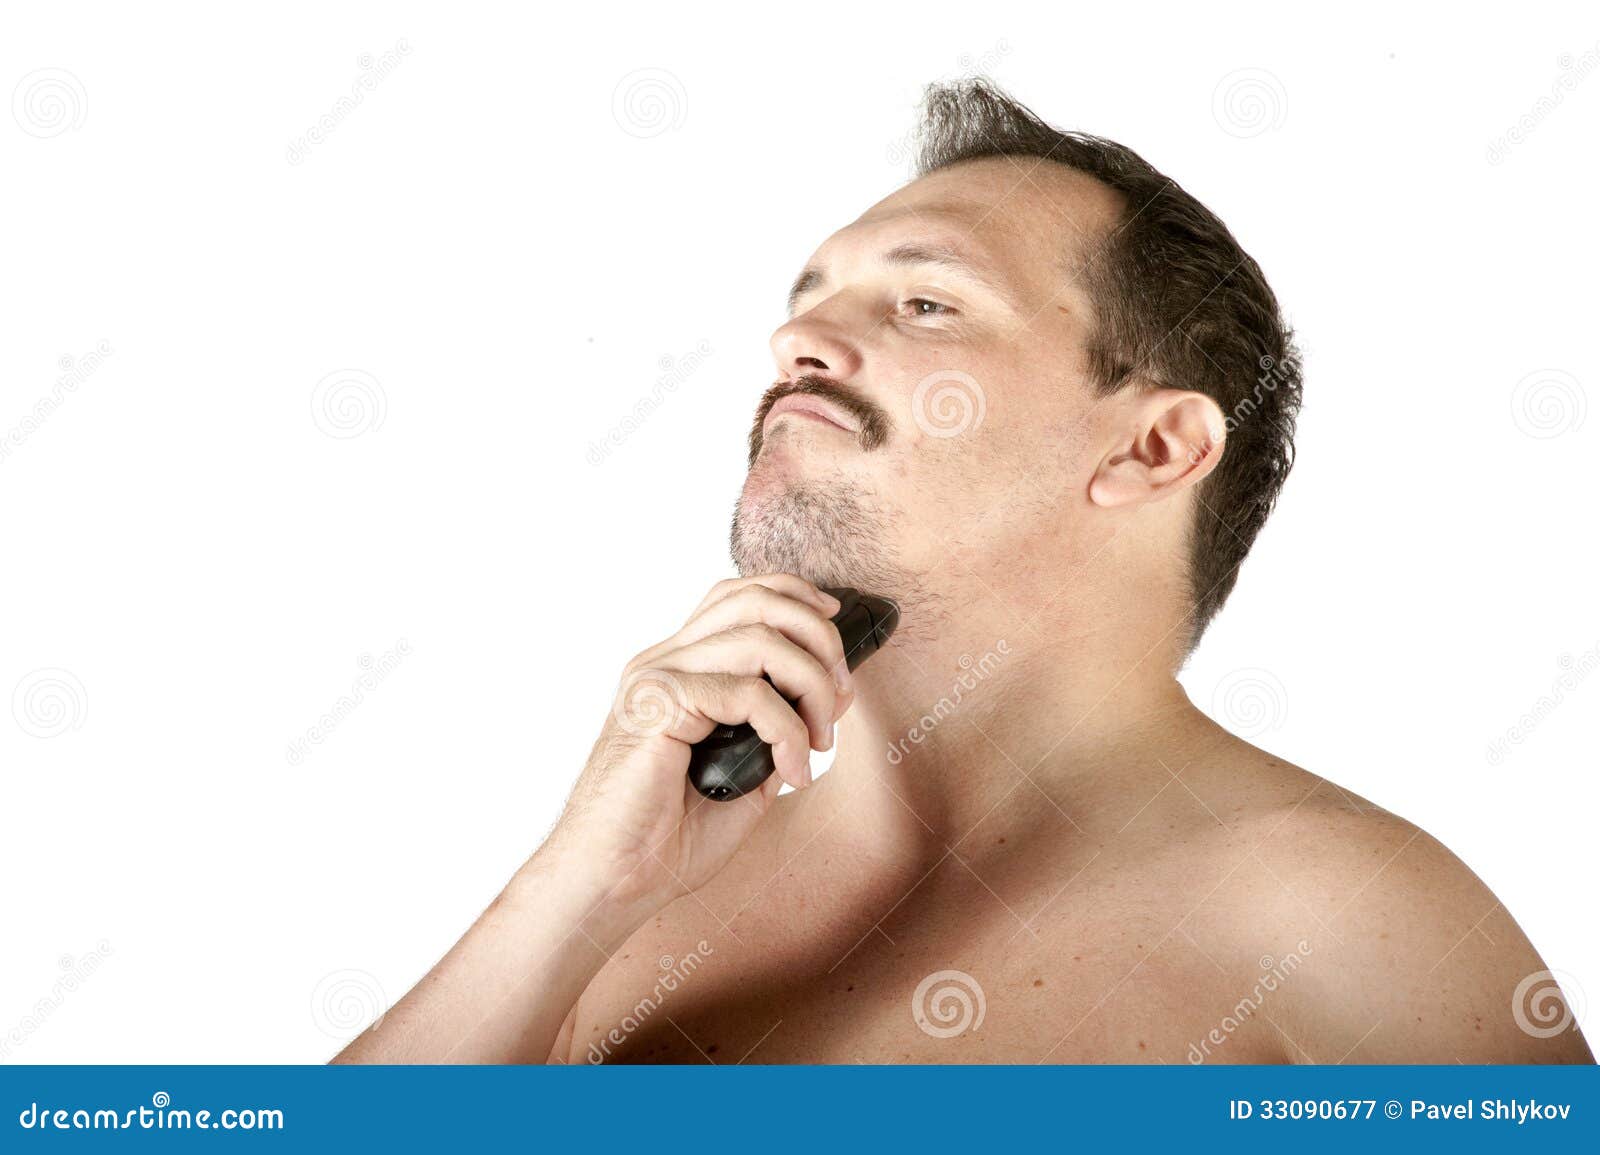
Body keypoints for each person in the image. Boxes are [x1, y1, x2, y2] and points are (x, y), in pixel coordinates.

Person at [335, 80, 1592, 1065]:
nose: (796, 339)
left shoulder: (1355, 934)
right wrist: (567, 895)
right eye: (807, 296)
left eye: (926, 305)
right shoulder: (641, 890)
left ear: (1152, 446)